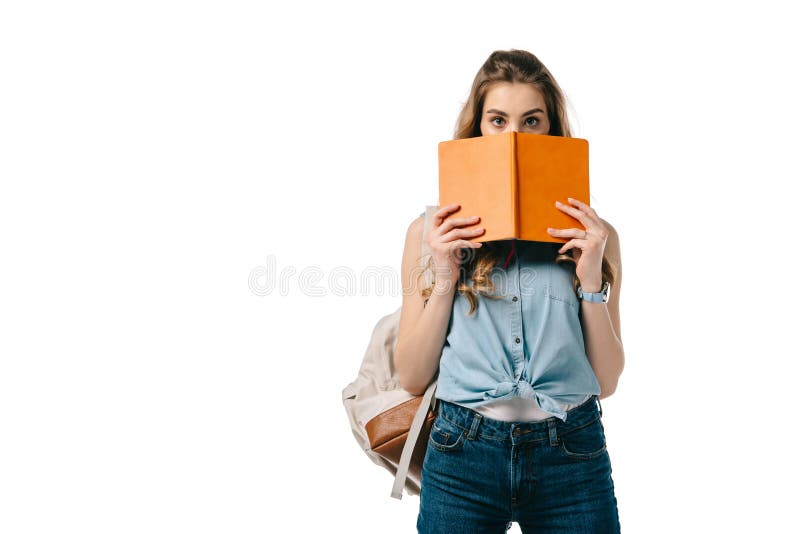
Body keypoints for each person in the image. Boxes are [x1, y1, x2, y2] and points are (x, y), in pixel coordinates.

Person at [394, 49, 624, 533]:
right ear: (477, 130)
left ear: (552, 131)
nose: (514, 136)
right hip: (463, 454)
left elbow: (606, 381)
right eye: (498, 120)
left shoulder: (596, 238)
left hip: (571, 452)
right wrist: (444, 272)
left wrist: (589, 281)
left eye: (531, 120)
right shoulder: (430, 233)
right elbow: (412, 376)